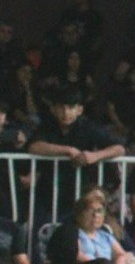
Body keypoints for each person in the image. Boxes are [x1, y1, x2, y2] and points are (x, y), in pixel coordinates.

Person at [26, 86, 125, 223]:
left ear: (79, 110)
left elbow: (119, 148)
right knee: (40, 232)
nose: (66, 112)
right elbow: (34, 147)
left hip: (80, 192)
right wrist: (68, 150)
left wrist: (95, 156)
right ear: (53, 109)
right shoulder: (47, 125)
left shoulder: (88, 127)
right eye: (61, 107)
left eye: (71, 107)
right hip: (48, 191)